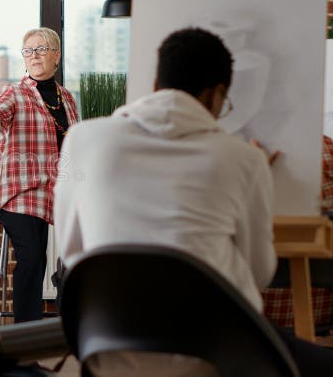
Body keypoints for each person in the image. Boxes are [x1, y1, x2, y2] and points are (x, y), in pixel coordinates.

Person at [54, 27, 333, 376]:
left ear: (156, 83)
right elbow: (259, 272)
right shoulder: (243, 159)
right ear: (217, 95)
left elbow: (71, 251)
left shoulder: (81, 140)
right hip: (217, 357)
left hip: (109, 352)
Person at [0, 27, 79, 323]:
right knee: (31, 258)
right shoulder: (15, 93)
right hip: (17, 190)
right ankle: (24, 340)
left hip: (53, 192)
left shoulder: (67, 99)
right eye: (29, 51)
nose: (35, 55)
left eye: (42, 49)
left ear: (57, 55)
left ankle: (68, 324)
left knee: (63, 258)